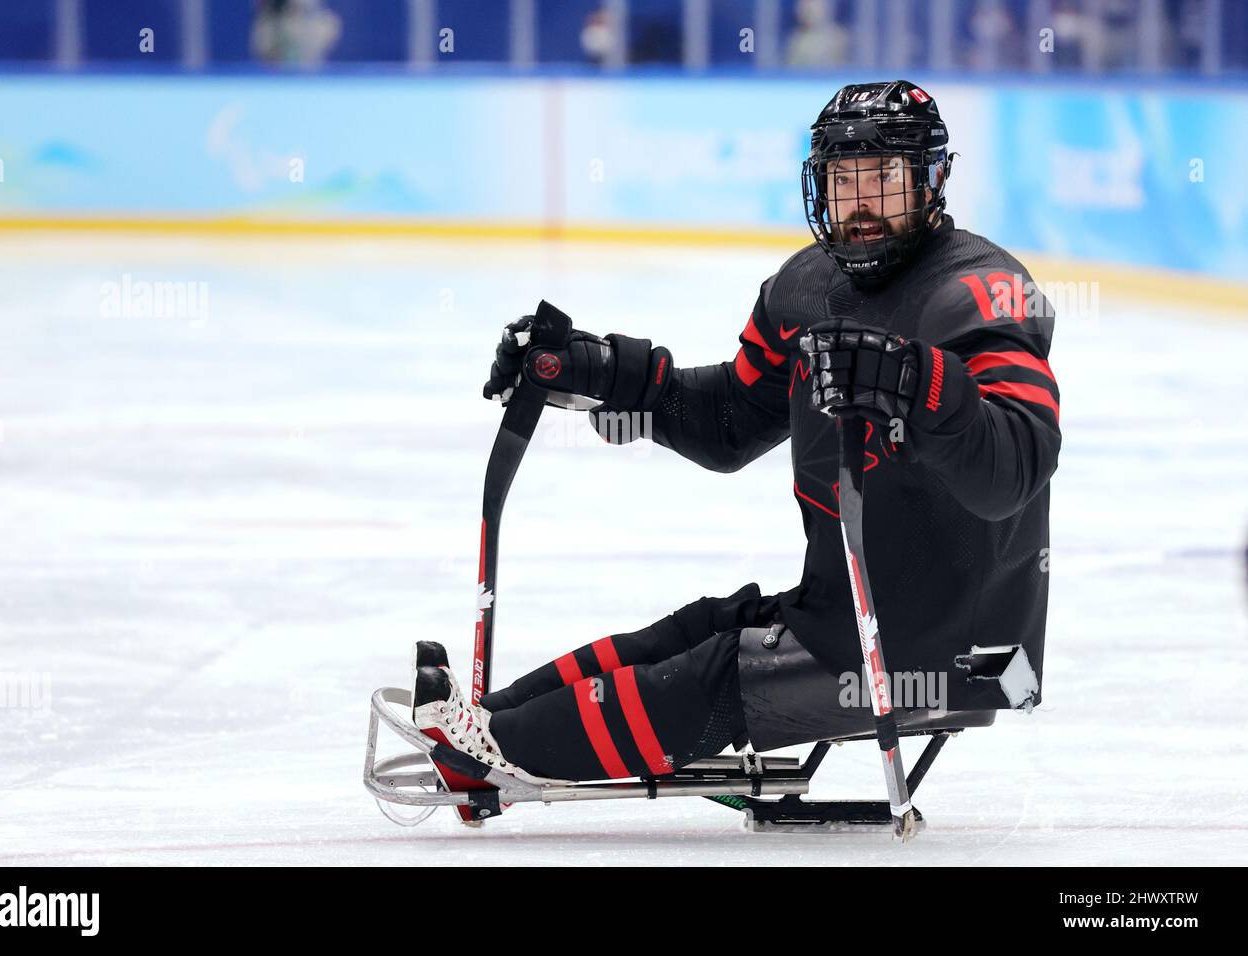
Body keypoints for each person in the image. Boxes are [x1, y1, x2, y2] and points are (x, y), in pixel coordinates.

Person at [413, 81, 1061, 823]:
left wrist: (916, 381)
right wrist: (599, 375)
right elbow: (728, 419)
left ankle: (488, 750)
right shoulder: (805, 288)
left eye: (883, 176)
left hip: (948, 649)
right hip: (841, 611)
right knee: (698, 631)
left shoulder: (986, 293)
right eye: (843, 178)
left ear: (931, 180)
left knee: (717, 674)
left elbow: (1014, 467)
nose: (859, 200)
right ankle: (484, 729)